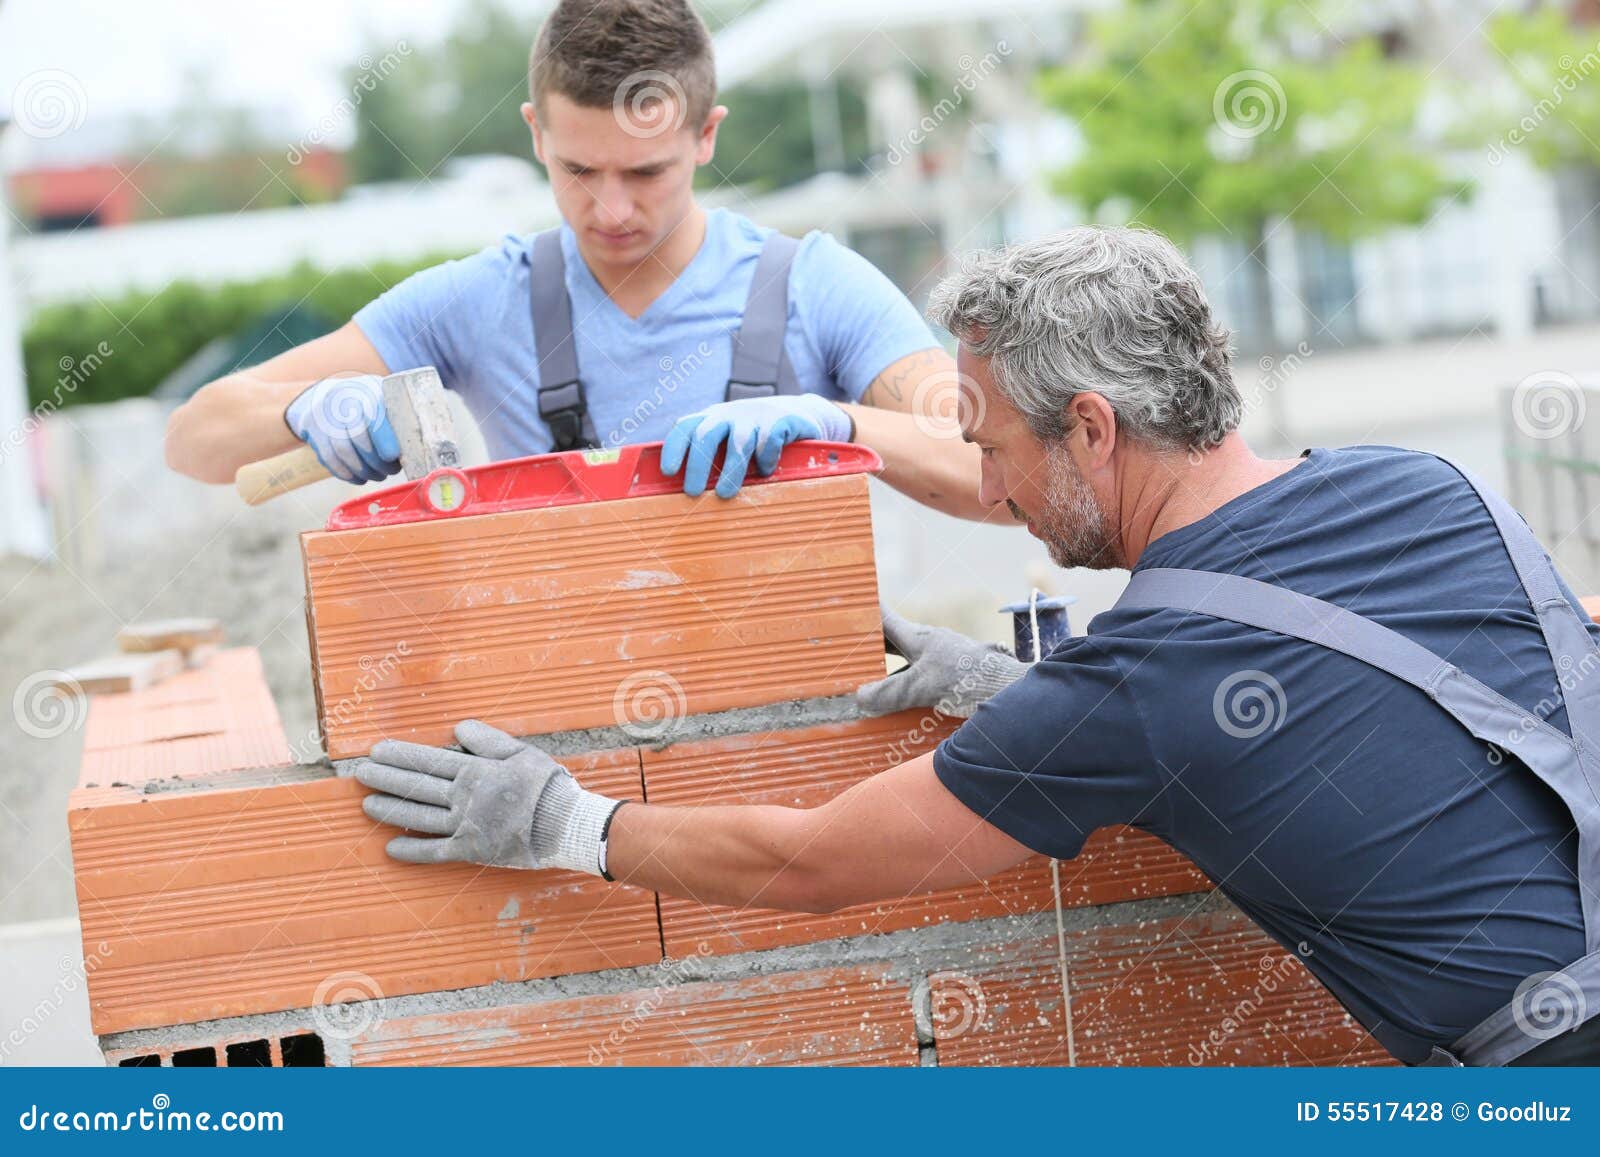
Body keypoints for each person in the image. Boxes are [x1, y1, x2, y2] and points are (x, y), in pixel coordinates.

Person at [352, 225, 1600, 1066]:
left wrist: (561, 821)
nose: (990, 489)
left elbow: (811, 862)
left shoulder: (1144, 681)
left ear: (1094, 429)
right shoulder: (1422, 485)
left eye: (992, 444)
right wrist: (1028, 699)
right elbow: (1407, 693)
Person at [164, 0, 984, 517]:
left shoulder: (818, 287)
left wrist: (837, 424)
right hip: (566, 736)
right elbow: (193, 439)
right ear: (535, 134)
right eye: (579, 171)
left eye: (646, 171)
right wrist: (303, 411)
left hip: (795, 713)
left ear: (706, 135)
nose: (612, 210)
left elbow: (998, 469)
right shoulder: (478, 301)